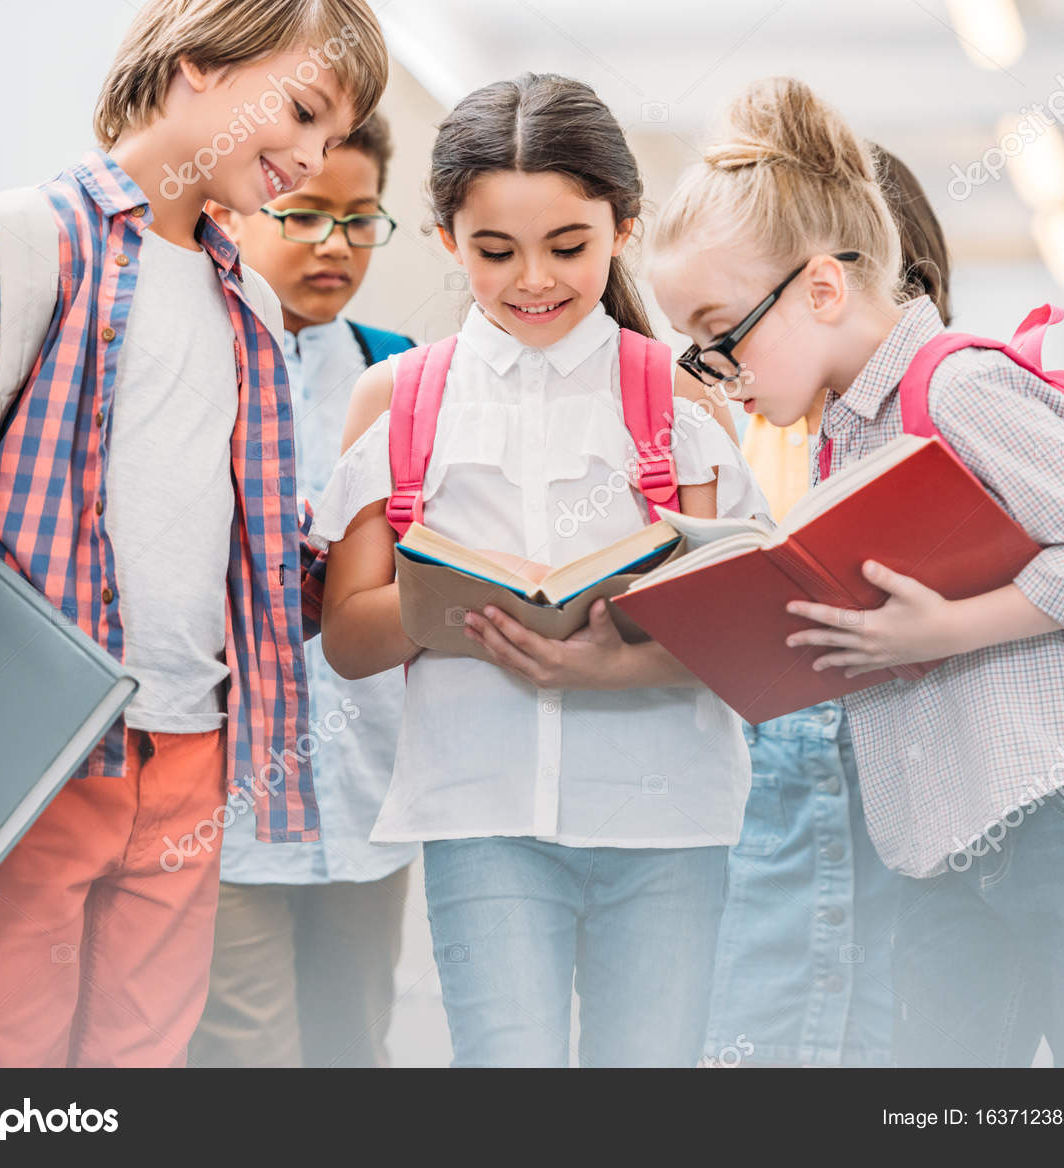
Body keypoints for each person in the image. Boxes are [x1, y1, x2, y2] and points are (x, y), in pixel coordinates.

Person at [0, 0, 388, 1067]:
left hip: (190, 755)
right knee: (1, 1070)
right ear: (199, 63)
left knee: (140, 1071)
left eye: (330, 140)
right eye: (302, 113)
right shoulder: (31, 238)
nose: (308, 160)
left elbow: (252, 557)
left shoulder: (247, 306)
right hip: (37, 747)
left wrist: (389, 545)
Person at [650, 77, 1064, 1067]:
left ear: (820, 288)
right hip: (947, 845)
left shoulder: (955, 380)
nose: (718, 377)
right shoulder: (838, 441)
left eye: (720, 338)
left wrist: (940, 631)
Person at [309, 74, 769, 1067]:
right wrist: (441, 608)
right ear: (444, 239)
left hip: (667, 821)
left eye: (569, 247)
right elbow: (345, 636)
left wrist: (603, 660)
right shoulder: (398, 399)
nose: (534, 280)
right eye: (493, 250)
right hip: (481, 817)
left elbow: (744, 634)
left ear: (623, 227)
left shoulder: (681, 399)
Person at [704, 145, 952, 1068]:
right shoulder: (747, 403)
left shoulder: (944, 397)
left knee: (880, 1023)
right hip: (778, 738)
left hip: (881, 733)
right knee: (778, 1016)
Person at [191, 112, 417, 1069]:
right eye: (308, 214)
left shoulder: (398, 368)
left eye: (362, 219)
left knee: (353, 1050)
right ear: (235, 211)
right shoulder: (192, 362)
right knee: (246, 1059)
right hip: (222, 796)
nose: (338, 243)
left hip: (367, 793)